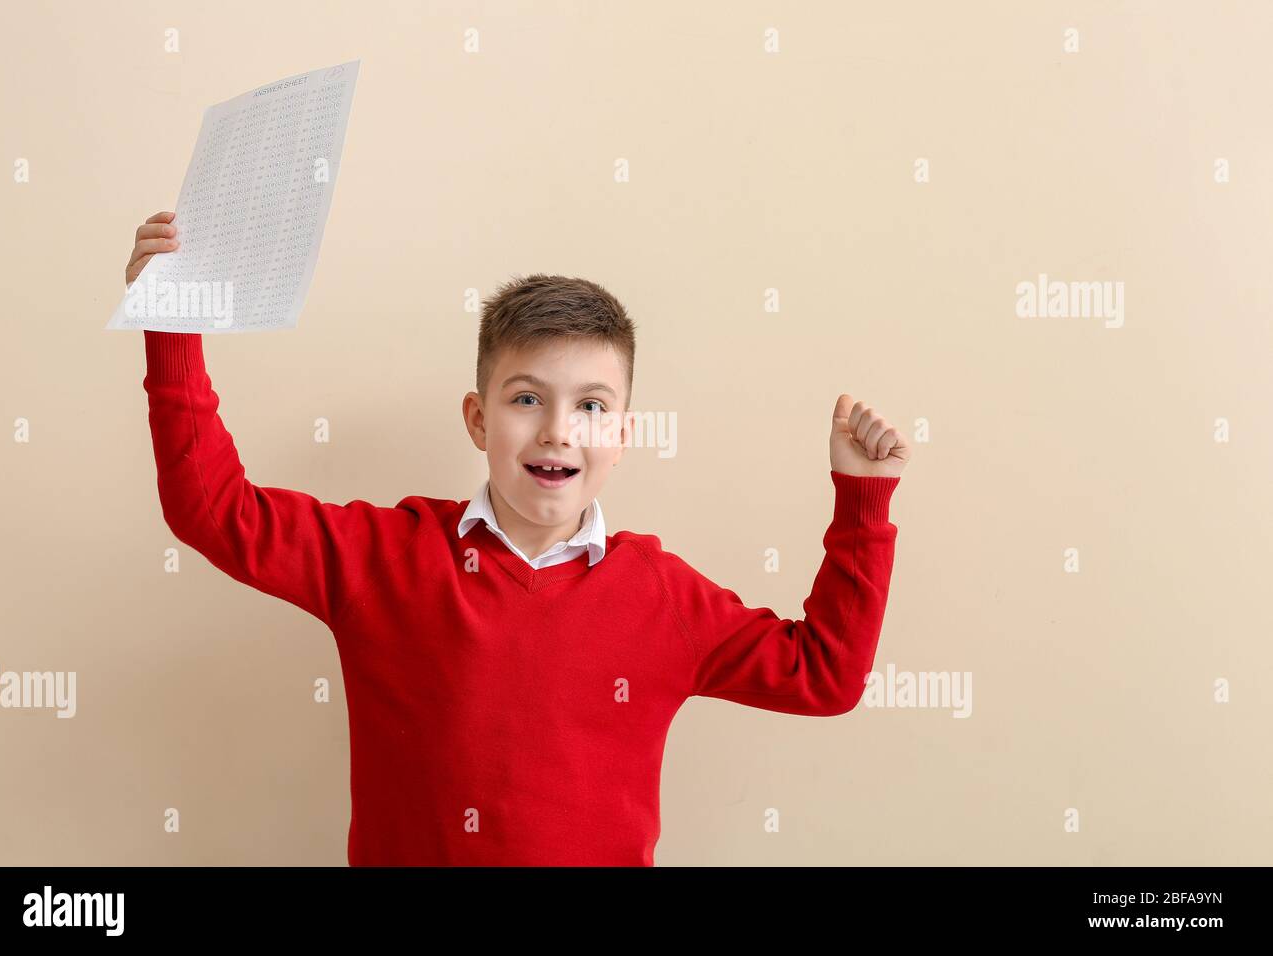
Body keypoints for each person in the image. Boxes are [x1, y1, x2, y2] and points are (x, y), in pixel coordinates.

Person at [126, 209, 911, 865]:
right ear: (478, 418)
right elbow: (212, 509)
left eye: (592, 406)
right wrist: (171, 328)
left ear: (624, 434)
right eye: (527, 398)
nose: (559, 431)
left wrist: (863, 500)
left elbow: (825, 676)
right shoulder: (382, 556)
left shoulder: (662, 598)